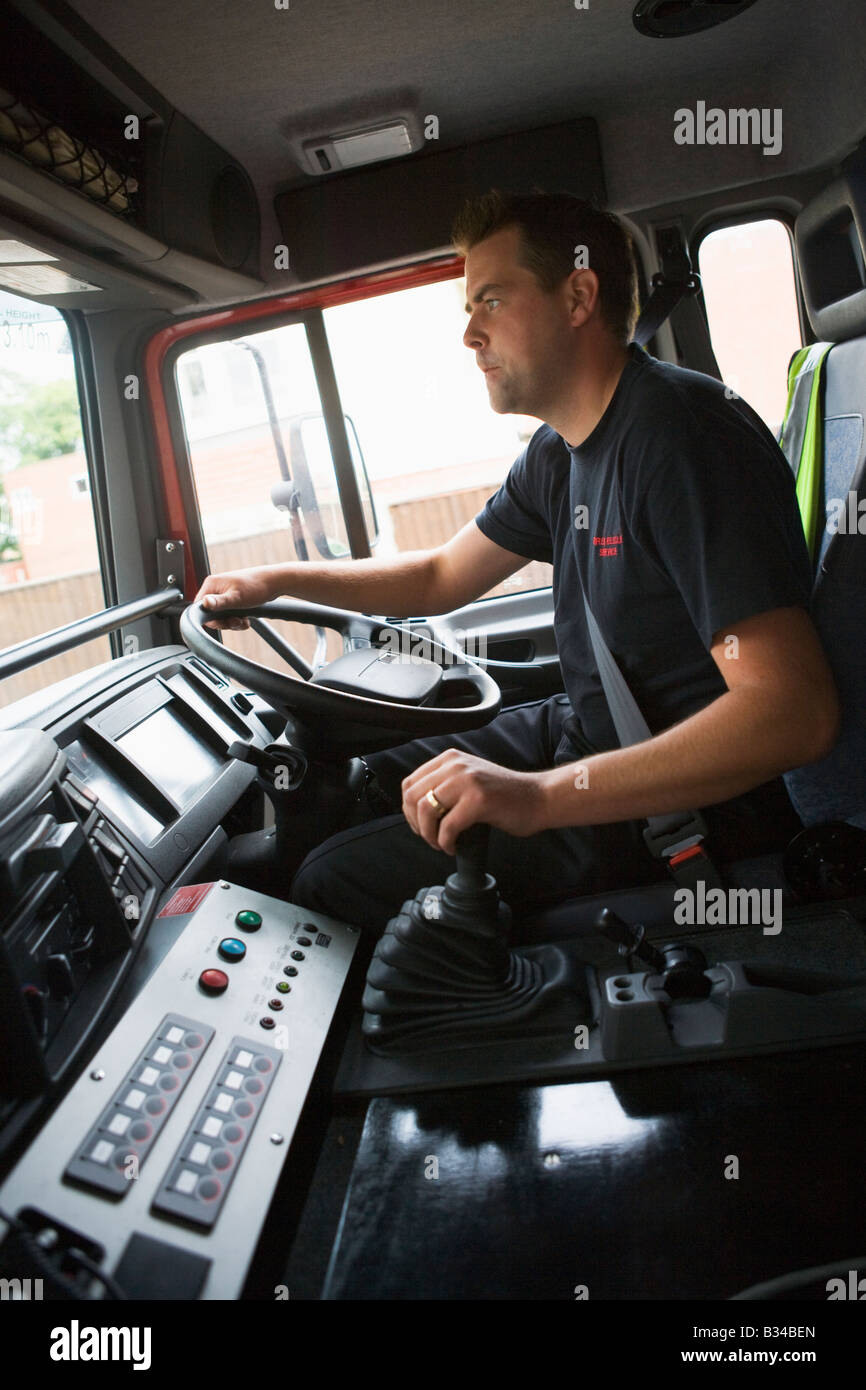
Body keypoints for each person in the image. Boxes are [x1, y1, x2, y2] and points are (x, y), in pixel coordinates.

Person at [195, 191, 839, 932]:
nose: (470, 334)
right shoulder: (560, 452)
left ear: (579, 297)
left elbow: (794, 713)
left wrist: (537, 798)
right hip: (588, 735)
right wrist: (274, 582)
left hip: (684, 807)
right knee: (357, 786)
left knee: (328, 881)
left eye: (492, 301)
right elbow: (441, 577)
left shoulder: (682, 440)